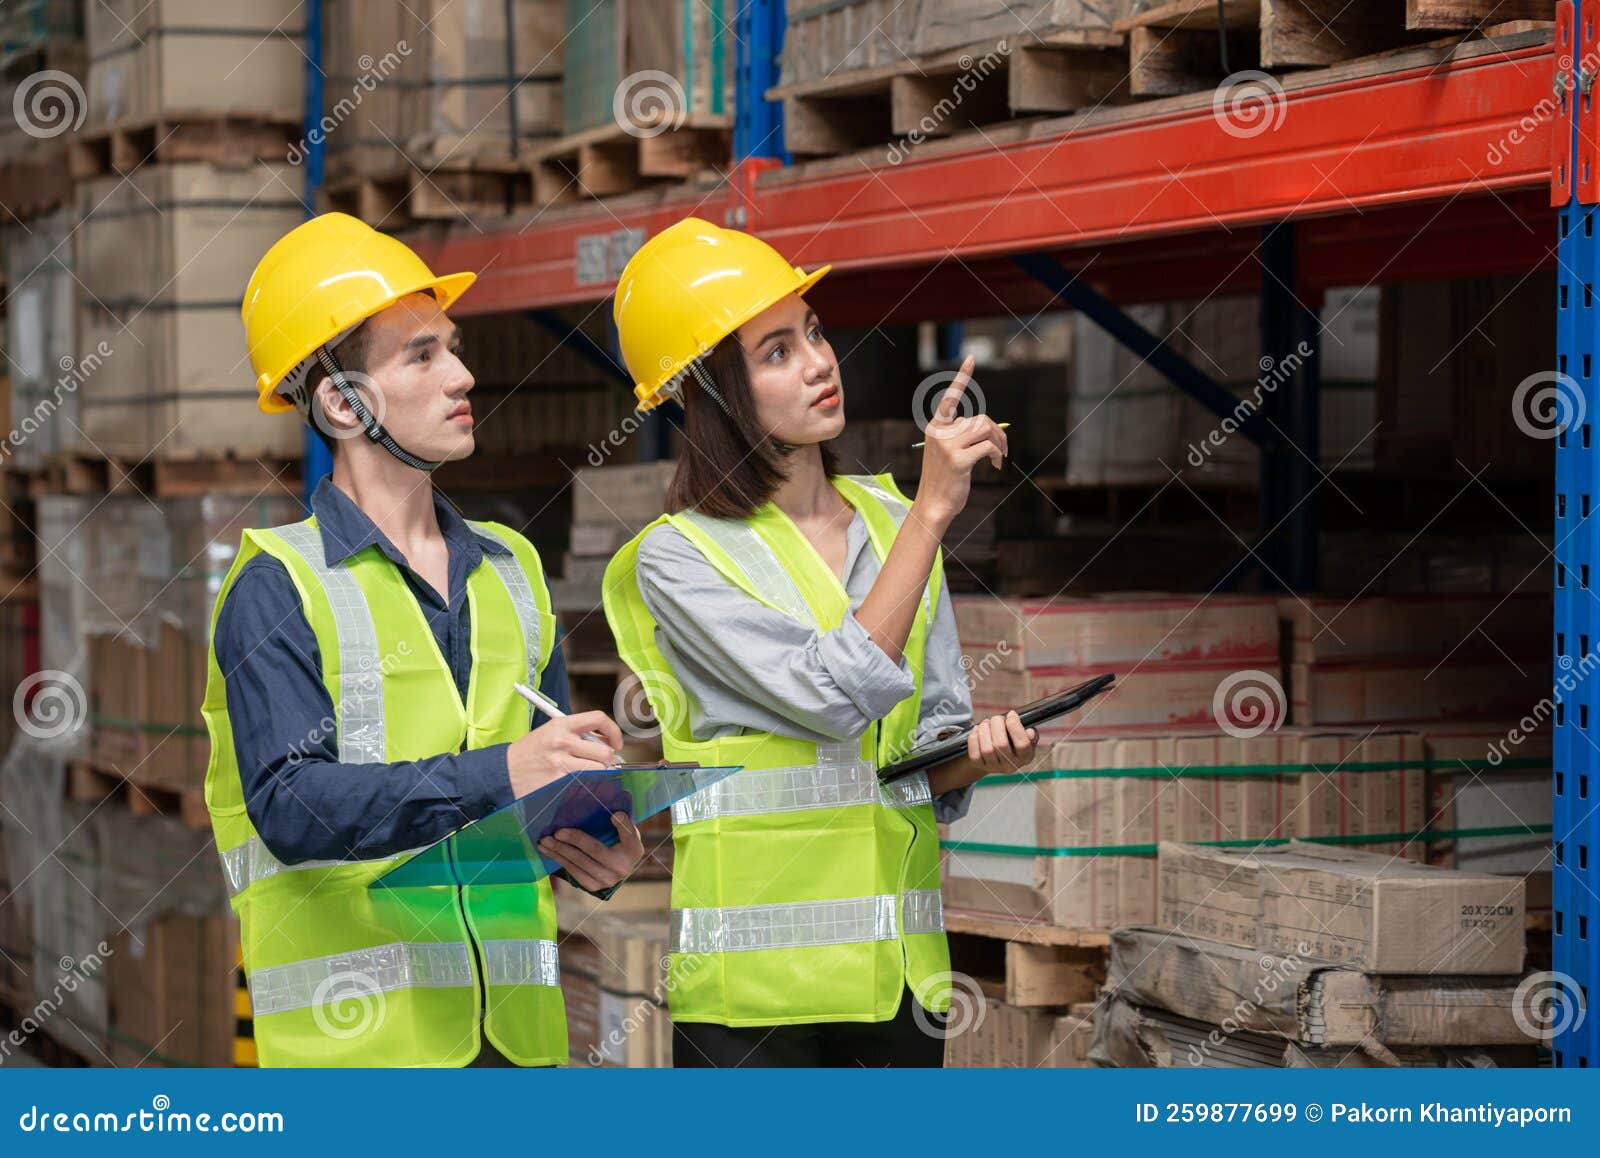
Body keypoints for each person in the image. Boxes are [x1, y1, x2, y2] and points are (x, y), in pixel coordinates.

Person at [202, 213, 644, 1067]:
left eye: (453, 346)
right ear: (341, 401)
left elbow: (526, 797)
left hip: (516, 1046)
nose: (463, 375)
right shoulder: (277, 587)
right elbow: (291, 806)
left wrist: (590, 846)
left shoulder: (511, 568)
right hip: (367, 1058)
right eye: (421, 355)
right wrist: (506, 771)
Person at [601, 217, 1036, 1067]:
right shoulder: (679, 556)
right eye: (775, 352)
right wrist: (934, 511)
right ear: (715, 391)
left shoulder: (889, 520)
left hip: (900, 986)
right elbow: (836, 699)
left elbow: (918, 751)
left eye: (813, 333)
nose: (818, 362)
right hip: (755, 1005)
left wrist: (978, 756)